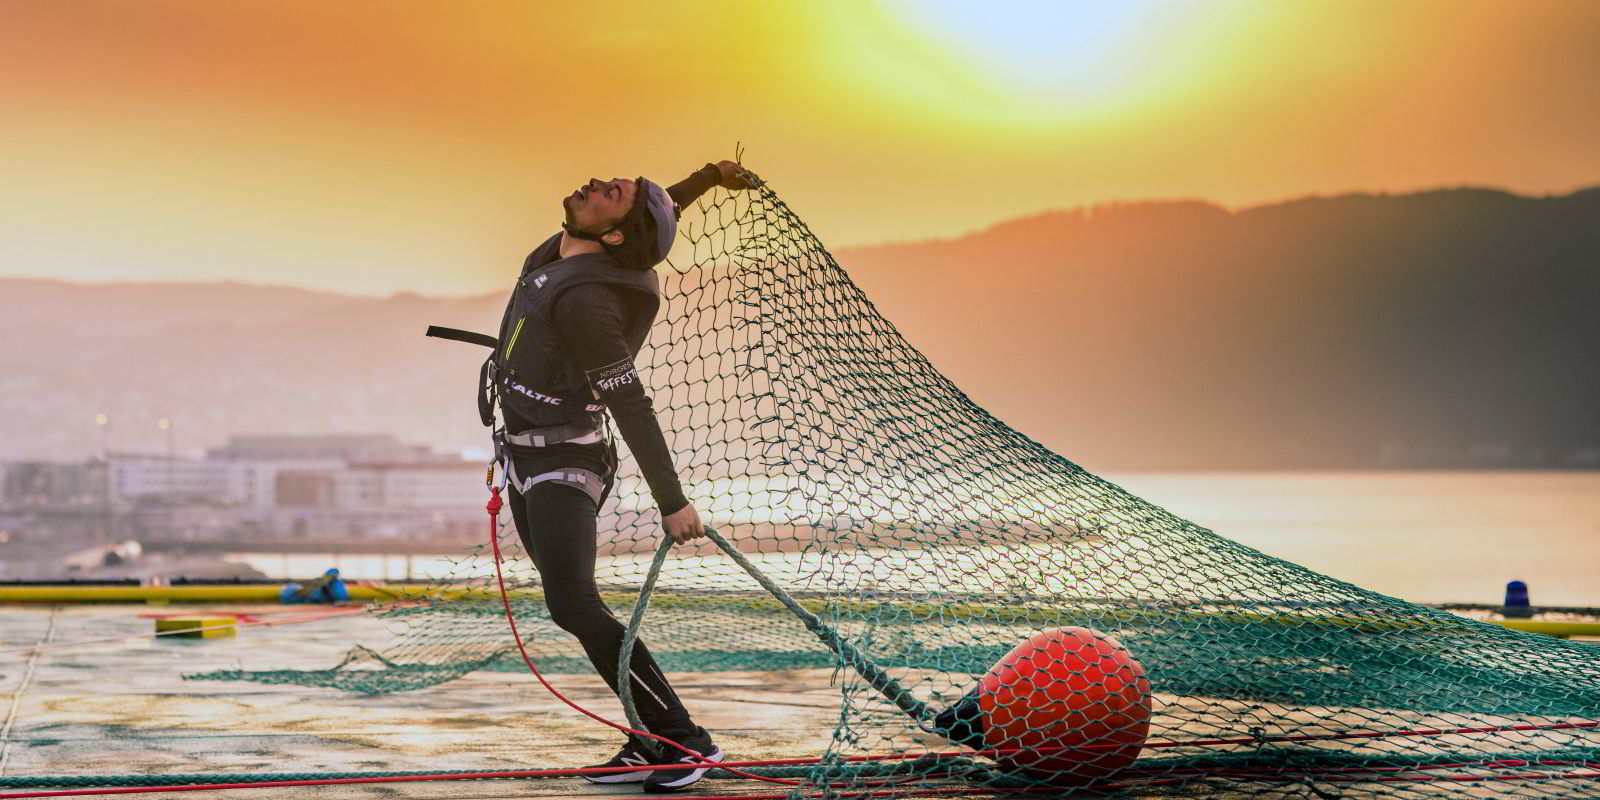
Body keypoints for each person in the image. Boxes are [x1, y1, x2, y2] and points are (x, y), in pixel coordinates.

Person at [492, 160, 750, 793]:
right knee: (567, 606)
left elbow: (630, 403)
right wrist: (708, 177)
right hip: (521, 457)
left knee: (574, 602)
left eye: (611, 194)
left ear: (614, 238)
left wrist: (672, 502)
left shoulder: (587, 302)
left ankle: (682, 742)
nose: (593, 181)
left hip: (563, 462)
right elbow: (658, 211)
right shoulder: (584, 245)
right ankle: (648, 739)